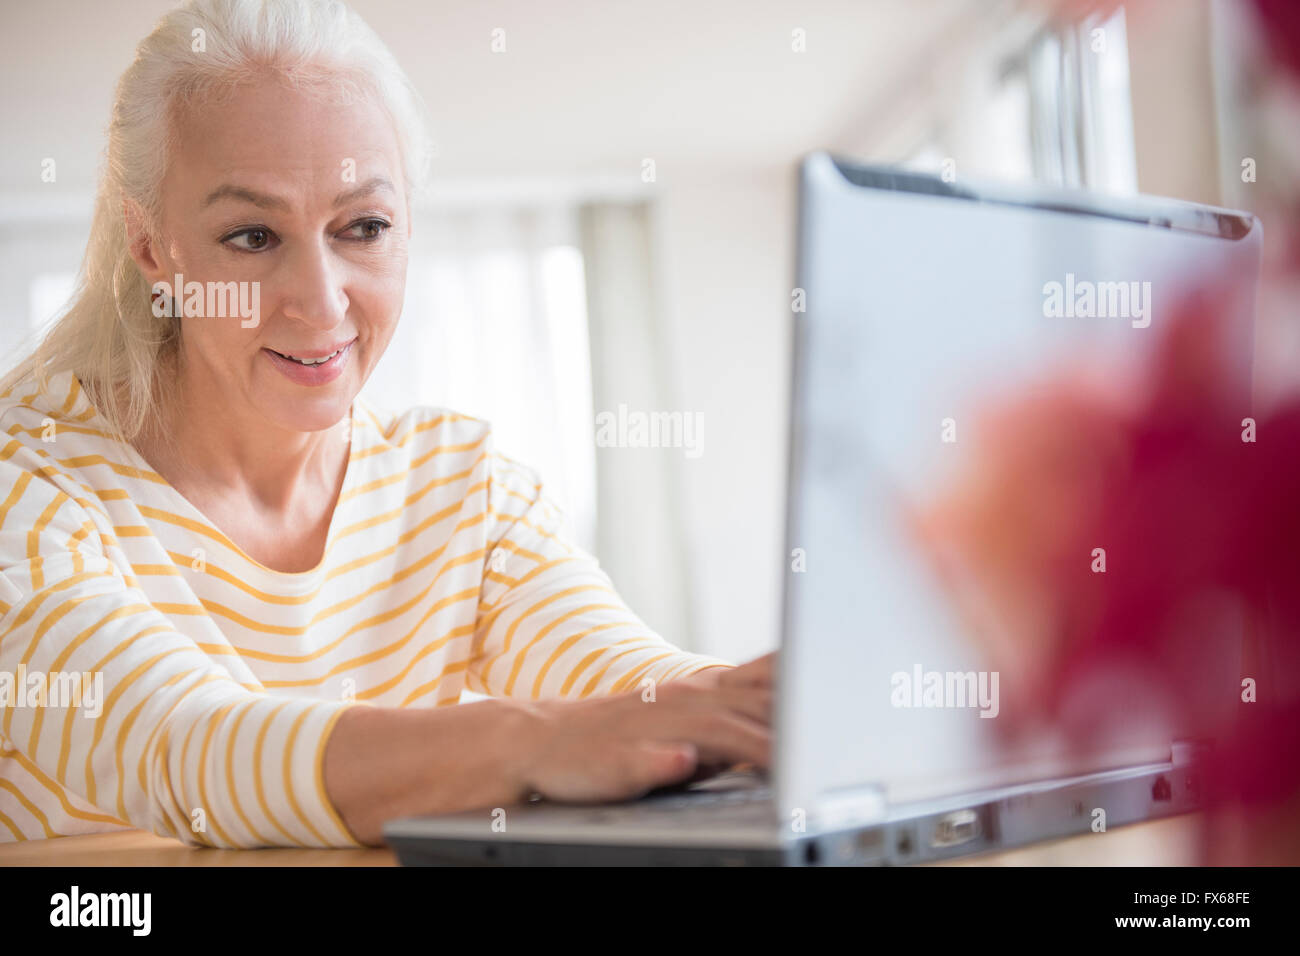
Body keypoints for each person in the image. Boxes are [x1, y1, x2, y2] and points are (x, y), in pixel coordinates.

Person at [0, 0, 773, 849]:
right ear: (150, 247)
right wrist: (537, 740)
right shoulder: (29, 487)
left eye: (363, 227)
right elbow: (187, 750)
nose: (322, 300)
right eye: (252, 236)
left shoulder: (458, 487)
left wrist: (780, 708)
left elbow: (637, 685)